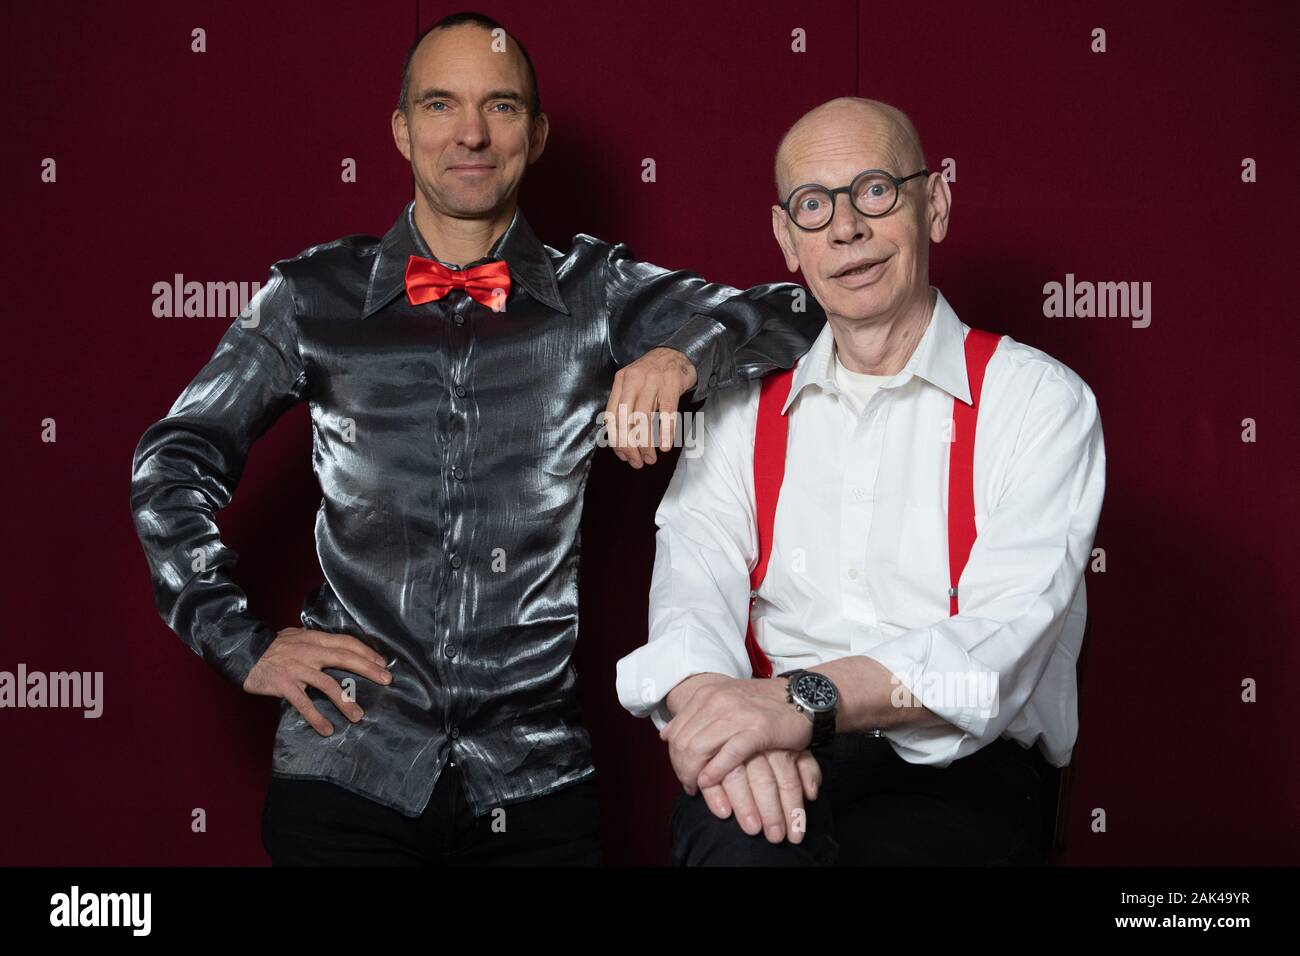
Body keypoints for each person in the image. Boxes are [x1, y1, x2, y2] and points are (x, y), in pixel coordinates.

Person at [129, 12, 822, 866]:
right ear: (402, 130)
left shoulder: (597, 292)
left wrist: (681, 354)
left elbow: (803, 309)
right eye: (440, 105)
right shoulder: (312, 295)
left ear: (535, 135)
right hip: (347, 773)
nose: (469, 132)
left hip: (536, 783)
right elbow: (172, 462)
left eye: (499, 107)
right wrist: (242, 642)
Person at [616, 97, 1106, 865]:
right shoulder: (739, 418)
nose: (845, 228)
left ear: (934, 203)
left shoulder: (1038, 402)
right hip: (769, 756)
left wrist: (794, 704)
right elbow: (688, 604)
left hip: (958, 777)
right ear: (787, 240)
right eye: (813, 206)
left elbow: (989, 660)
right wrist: (733, 725)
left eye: (875, 191)